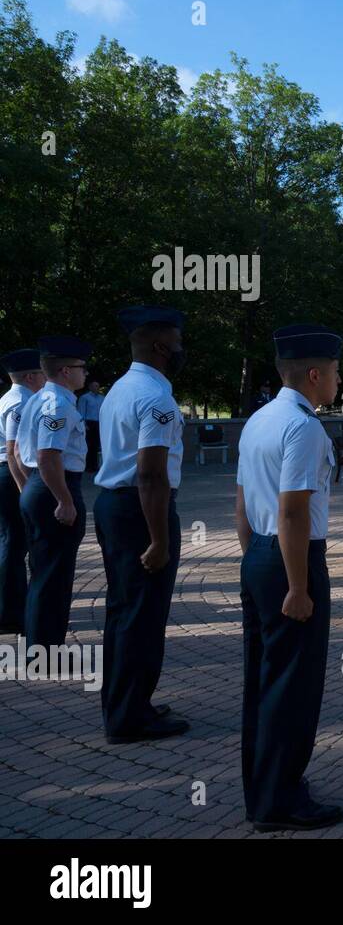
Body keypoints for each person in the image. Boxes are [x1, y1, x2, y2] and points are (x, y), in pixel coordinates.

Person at [235, 324, 343, 832]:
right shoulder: (303, 427)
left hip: (260, 554)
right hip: (291, 560)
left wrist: (253, 558)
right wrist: (298, 587)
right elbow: (294, 511)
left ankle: (265, 786)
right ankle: (280, 801)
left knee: (264, 678)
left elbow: (241, 502)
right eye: (337, 371)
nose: (340, 379)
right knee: (292, 687)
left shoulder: (259, 419)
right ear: (315, 374)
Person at [93, 306, 190, 744]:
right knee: (142, 617)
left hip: (117, 506)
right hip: (141, 510)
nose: (180, 350)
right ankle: (130, 718)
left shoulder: (121, 387)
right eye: (177, 343)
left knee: (125, 612)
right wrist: (159, 539)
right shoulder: (156, 398)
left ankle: (127, 703)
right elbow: (151, 474)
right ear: (160, 347)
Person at [17, 336, 91, 650]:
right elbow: (48, 454)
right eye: (81, 368)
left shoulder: (38, 398)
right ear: (64, 371)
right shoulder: (56, 403)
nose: (85, 373)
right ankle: (46, 651)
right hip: (54, 488)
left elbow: (20, 451)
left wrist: (29, 487)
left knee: (43, 571)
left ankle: (40, 645)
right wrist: (63, 499)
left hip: (39, 485)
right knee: (54, 576)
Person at [0, 349, 45, 635]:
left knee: (11, 542)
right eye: (41, 372)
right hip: (11, 475)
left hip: (8, 473)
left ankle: (11, 609)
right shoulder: (20, 402)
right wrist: (26, 489)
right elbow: (15, 451)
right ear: (30, 376)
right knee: (14, 544)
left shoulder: (11, 397)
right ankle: (10, 614)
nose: (45, 377)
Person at [77, 379, 104, 474]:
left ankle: (96, 465)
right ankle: (88, 466)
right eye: (95, 386)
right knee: (89, 445)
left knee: (97, 445)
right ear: (90, 387)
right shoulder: (85, 398)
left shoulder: (102, 398)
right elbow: (81, 411)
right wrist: (84, 424)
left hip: (99, 423)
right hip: (89, 423)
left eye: (98, 386)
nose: (97, 388)